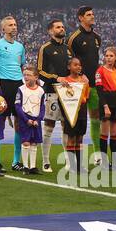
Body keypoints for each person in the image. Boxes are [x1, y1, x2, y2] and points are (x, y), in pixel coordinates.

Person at [35, 18, 72, 171]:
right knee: (49, 125)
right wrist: (56, 78)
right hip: (52, 92)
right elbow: (40, 71)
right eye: (58, 27)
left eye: (62, 26)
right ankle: (45, 161)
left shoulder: (68, 49)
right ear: (51, 31)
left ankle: (69, 161)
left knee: (66, 126)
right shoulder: (46, 48)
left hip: (68, 93)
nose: (61, 29)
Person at [68, 6, 102, 167]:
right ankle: (70, 160)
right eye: (89, 14)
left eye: (93, 14)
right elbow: (69, 62)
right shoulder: (74, 38)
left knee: (96, 119)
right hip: (77, 86)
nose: (92, 16)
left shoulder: (97, 37)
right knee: (73, 121)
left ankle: (97, 154)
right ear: (80, 18)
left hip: (93, 86)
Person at [0, 16, 26, 169]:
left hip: (18, 85)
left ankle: (16, 161)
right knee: (0, 123)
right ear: (3, 29)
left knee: (19, 122)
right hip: (3, 85)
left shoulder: (20, 46)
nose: (14, 27)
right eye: (10, 25)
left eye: (15, 24)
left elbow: (22, 66)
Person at [95, 47, 116, 168]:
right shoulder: (100, 71)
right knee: (104, 133)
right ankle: (104, 162)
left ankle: (115, 161)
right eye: (107, 56)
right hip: (105, 102)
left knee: (114, 134)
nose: (108, 58)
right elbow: (99, 90)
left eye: (111, 56)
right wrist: (105, 106)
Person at [59, 57, 91, 173]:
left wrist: (86, 83)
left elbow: (86, 96)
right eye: (75, 65)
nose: (78, 67)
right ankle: (72, 166)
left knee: (80, 138)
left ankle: (79, 166)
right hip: (70, 110)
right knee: (71, 138)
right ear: (69, 67)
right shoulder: (65, 81)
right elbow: (62, 98)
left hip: (82, 109)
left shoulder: (84, 80)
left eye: (80, 65)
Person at [13, 64, 45, 175]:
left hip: (36, 120)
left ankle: (33, 167)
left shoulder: (41, 91)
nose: (26, 77)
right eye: (25, 75)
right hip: (25, 119)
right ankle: (25, 167)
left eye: (29, 75)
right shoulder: (21, 89)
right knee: (26, 142)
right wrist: (26, 119)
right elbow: (17, 106)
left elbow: (42, 107)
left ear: (36, 77)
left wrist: (38, 119)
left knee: (34, 143)